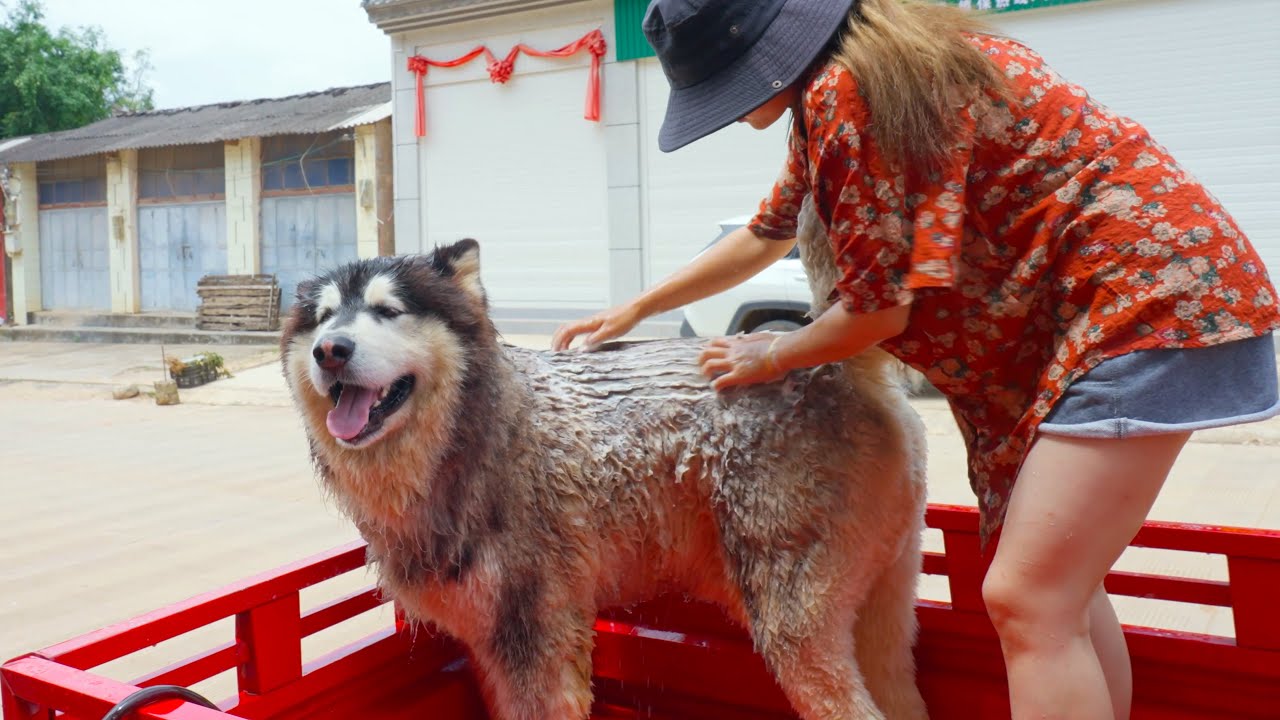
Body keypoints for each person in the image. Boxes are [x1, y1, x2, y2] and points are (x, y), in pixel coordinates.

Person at [552, 0, 1280, 717]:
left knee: (1028, 600)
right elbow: (768, 232)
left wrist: (773, 353)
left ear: (763, 58)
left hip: (1137, 308)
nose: (730, 113)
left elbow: (876, 310)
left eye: (727, 90)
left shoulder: (854, 92)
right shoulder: (854, 78)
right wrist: (640, 307)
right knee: (1061, 596)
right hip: (1108, 310)